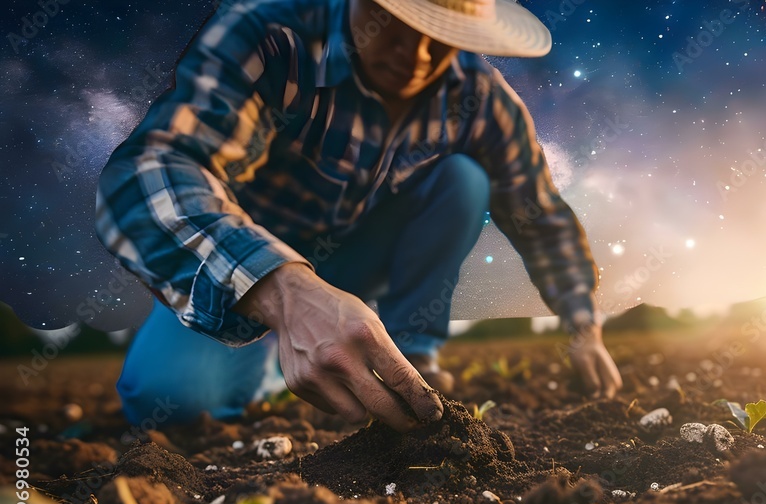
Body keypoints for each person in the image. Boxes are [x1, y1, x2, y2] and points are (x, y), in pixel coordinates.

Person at [96, 0, 622, 432]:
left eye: (440, 34)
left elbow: (541, 214)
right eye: (394, 19)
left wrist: (582, 322)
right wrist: (285, 291)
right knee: (172, 402)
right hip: (247, 264)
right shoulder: (273, 34)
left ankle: (412, 357)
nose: (414, 54)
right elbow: (149, 169)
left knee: (464, 179)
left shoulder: (480, 99)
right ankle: (280, 358)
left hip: (354, 256)